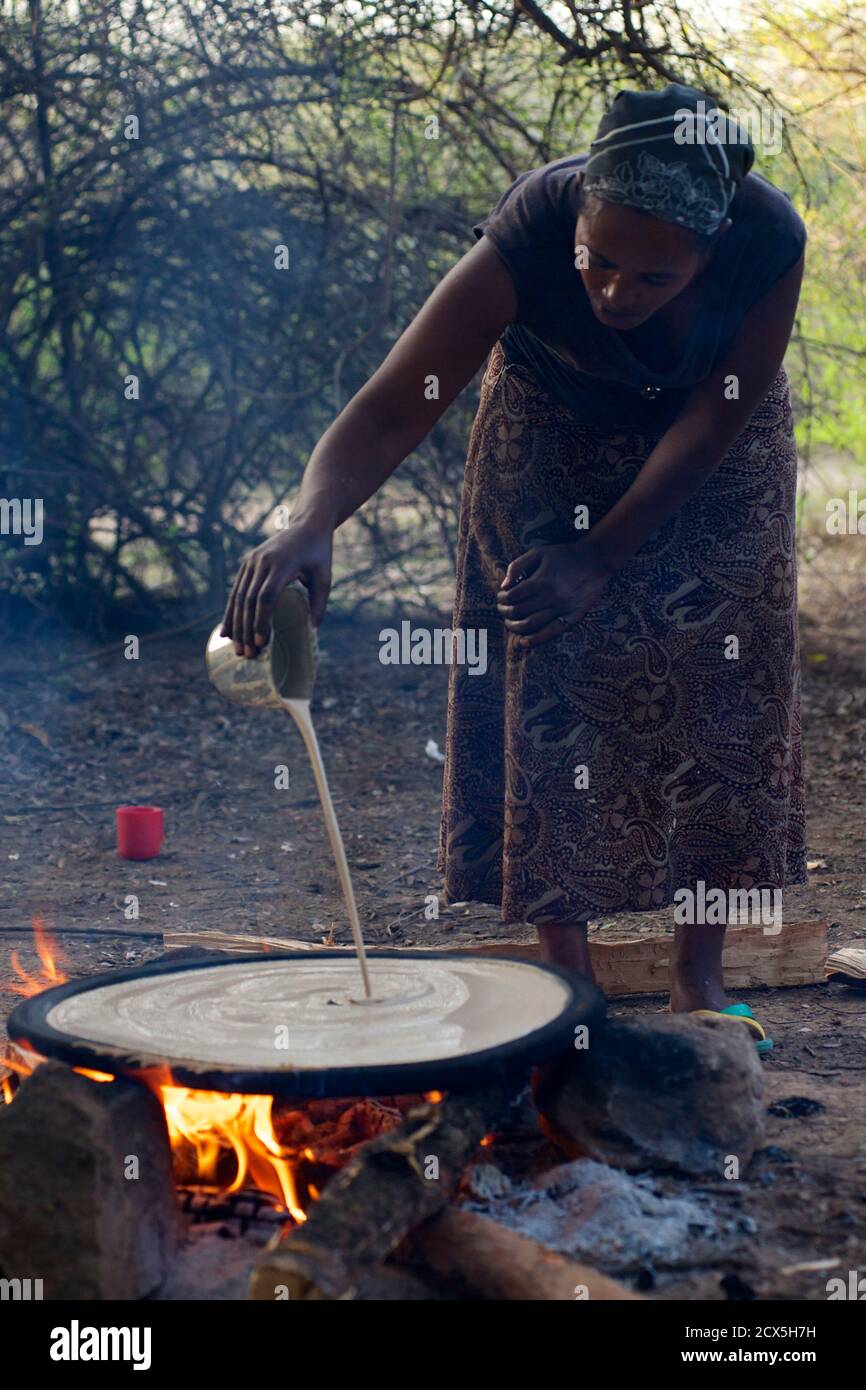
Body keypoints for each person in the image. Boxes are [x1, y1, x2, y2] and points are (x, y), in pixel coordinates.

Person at [221, 84, 807, 1051]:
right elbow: (395, 400)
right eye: (598, 261)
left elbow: (714, 419)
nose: (615, 293)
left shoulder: (766, 241)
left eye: (653, 278)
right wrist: (311, 522)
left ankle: (698, 977)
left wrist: (605, 552)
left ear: (708, 253)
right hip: (550, 427)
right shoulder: (532, 227)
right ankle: (565, 974)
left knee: (724, 683)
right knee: (546, 661)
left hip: (716, 444)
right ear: (576, 218)